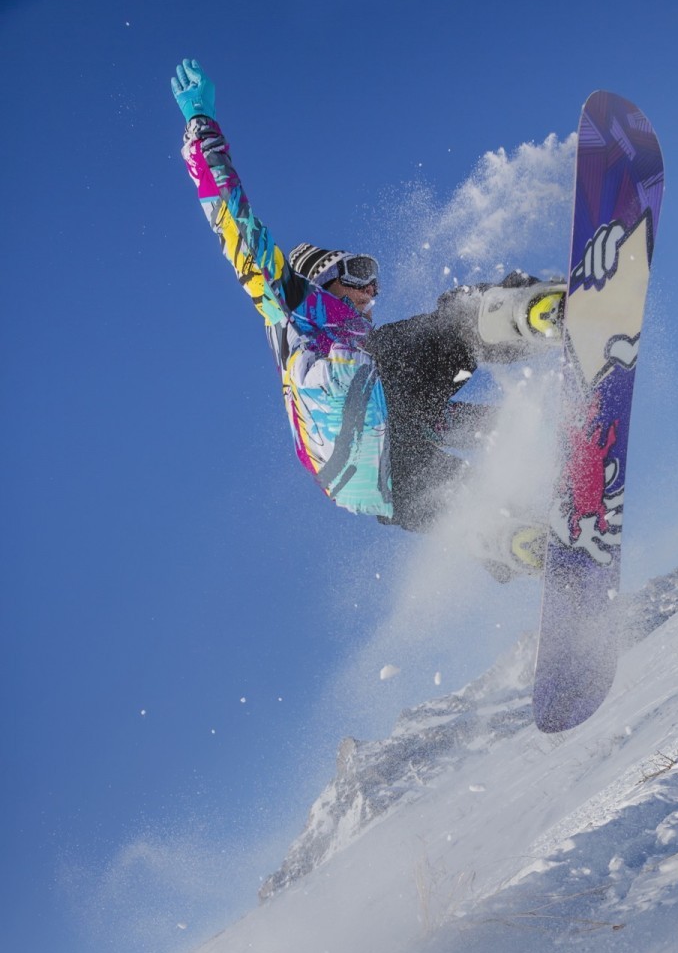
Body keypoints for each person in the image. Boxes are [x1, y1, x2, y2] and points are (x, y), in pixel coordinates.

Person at [171, 59, 558, 579]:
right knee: (456, 319)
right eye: (358, 273)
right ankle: (534, 314)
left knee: (464, 503)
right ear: (319, 277)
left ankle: (516, 540)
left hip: (368, 486)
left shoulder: (334, 354)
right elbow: (235, 227)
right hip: (359, 403)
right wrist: (201, 127)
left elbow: (422, 417)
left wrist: (524, 427)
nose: (372, 290)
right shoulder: (295, 305)